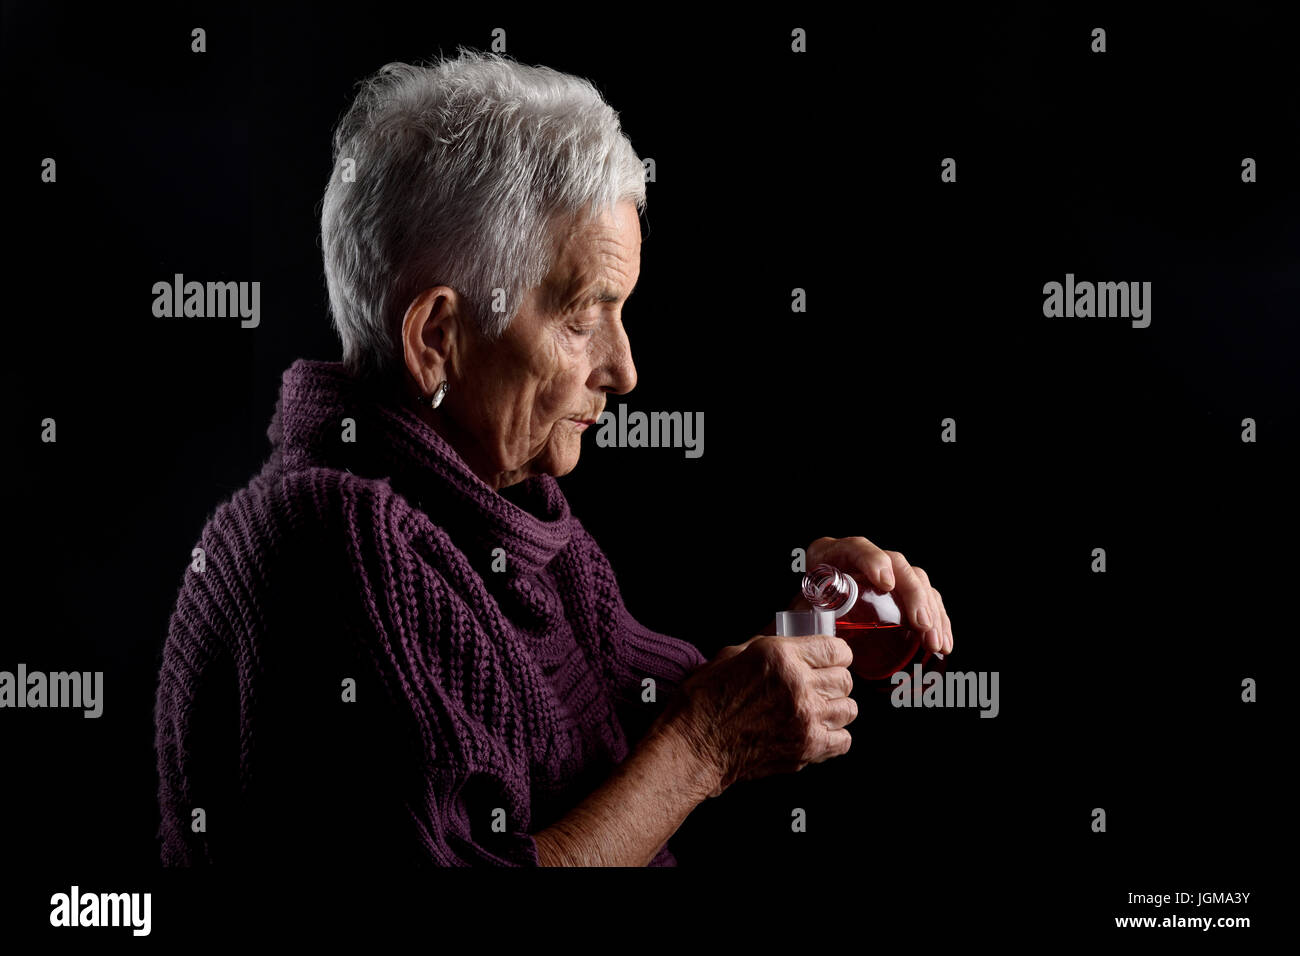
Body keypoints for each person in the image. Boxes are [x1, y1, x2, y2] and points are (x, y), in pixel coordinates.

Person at [153, 49, 954, 868]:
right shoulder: (336, 541)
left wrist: (819, 620)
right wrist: (703, 751)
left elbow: (664, 721)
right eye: (581, 316)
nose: (625, 371)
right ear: (438, 339)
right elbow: (686, 743)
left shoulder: (504, 516)